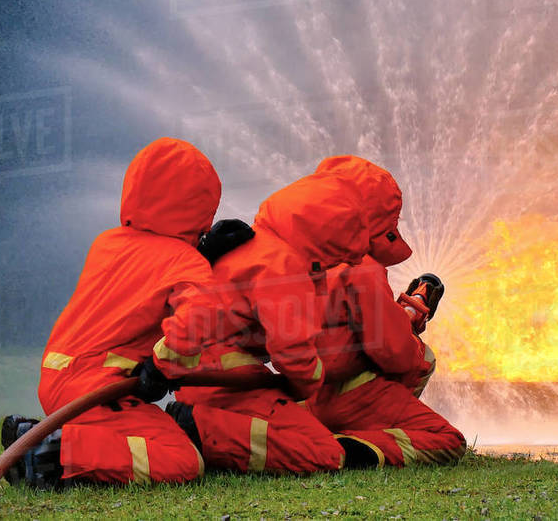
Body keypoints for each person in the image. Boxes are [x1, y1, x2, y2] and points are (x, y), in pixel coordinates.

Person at [8, 137, 221, 487]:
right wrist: (163, 365)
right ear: (201, 210)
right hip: (97, 389)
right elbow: (198, 319)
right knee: (182, 459)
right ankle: (51, 455)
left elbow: (136, 288)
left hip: (54, 379)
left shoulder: (106, 243)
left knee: (138, 431)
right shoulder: (185, 262)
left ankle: (44, 435)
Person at [161, 168, 370, 474]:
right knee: (325, 453)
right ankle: (196, 429)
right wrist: (313, 380)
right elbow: (294, 355)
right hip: (221, 378)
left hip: (202, 375)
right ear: (329, 239)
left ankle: (202, 428)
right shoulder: (285, 266)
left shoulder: (260, 246)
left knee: (291, 427)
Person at [309, 155, 466, 467]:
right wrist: (406, 326)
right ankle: (355, 447)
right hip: (353, 394)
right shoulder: (361, 269)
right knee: (447, 439)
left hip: (308, 393)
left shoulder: (297, 258)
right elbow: (393, 354)